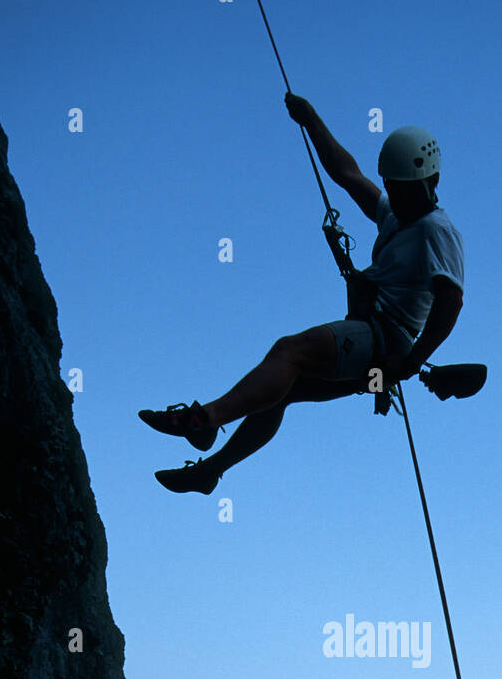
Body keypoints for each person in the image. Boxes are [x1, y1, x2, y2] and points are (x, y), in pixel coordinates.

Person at [139, 96, 465, 494]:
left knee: (288, 352)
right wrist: (310, 119)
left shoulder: (437, 231)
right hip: (377, 347)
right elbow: (346, 173)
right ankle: (212, 470)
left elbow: (450, 303)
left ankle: (206, 419)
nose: (393, 196)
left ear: (430, 183)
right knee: (278, 391)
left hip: (386, 342)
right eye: (390, 188)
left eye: (402, 189)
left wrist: (412, 361)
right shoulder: (396, 213)